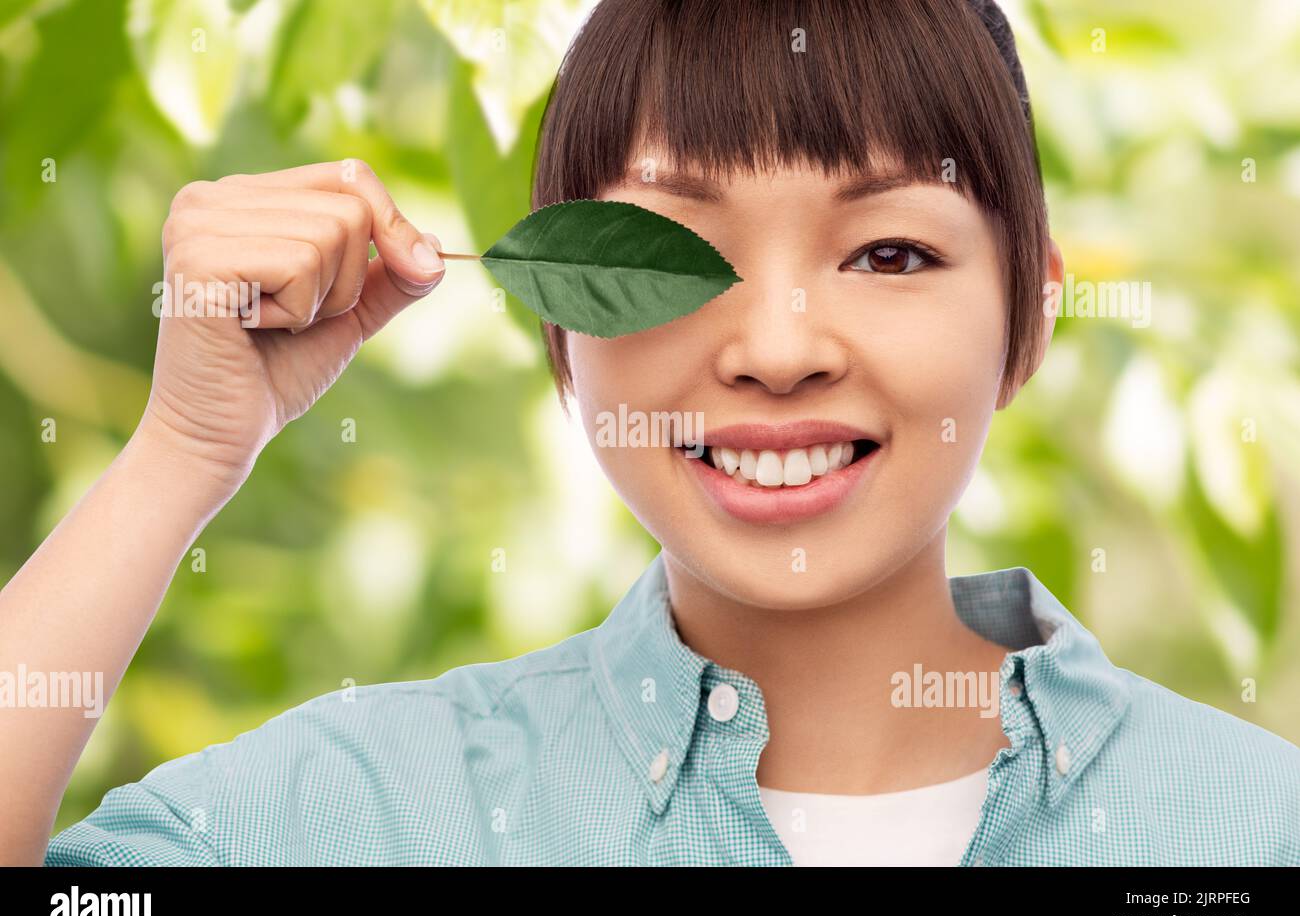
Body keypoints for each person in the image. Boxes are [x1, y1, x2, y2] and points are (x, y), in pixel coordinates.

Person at [4, 0, 1297, 866]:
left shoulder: (1245, 835)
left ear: (1031, 315)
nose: (781, 349)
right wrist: (182, 449)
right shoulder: (366, 814)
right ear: (562, 321)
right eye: (668, 255)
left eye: (889, 251)